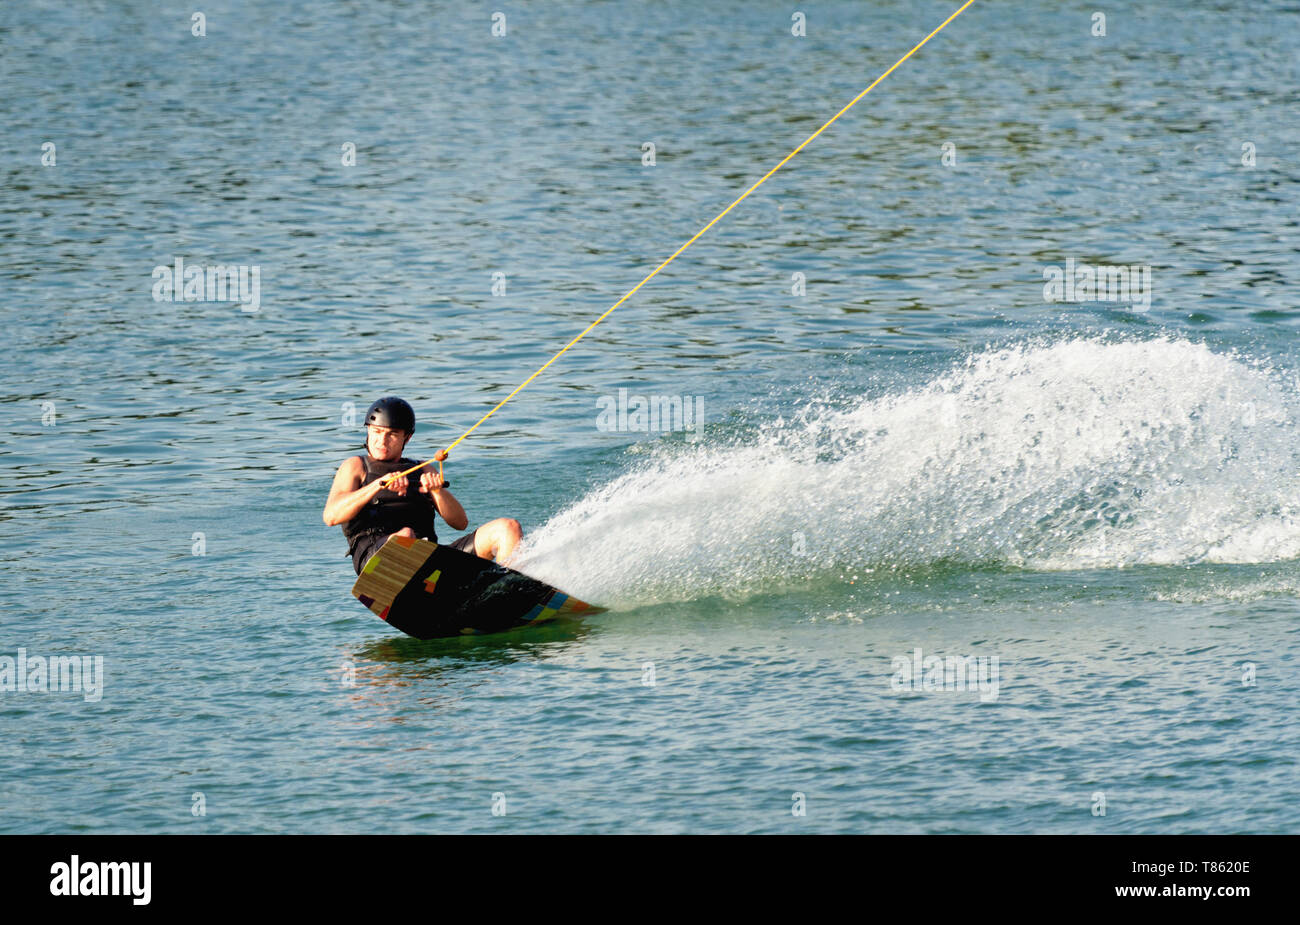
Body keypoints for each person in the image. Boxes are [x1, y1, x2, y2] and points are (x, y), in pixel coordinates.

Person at [323, 396, 522, 574]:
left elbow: (460, 523)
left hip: (429, 564)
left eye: (391, 434)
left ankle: (507, 588)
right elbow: (331, 516)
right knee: (406, 536)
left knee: (508, 528)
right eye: (376, 432)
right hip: (376, 561)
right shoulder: (356, 466)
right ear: (368, 430)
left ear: (406, 437)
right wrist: (377, 486)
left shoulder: (423, 469)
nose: (381, 441)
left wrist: (437, 491)